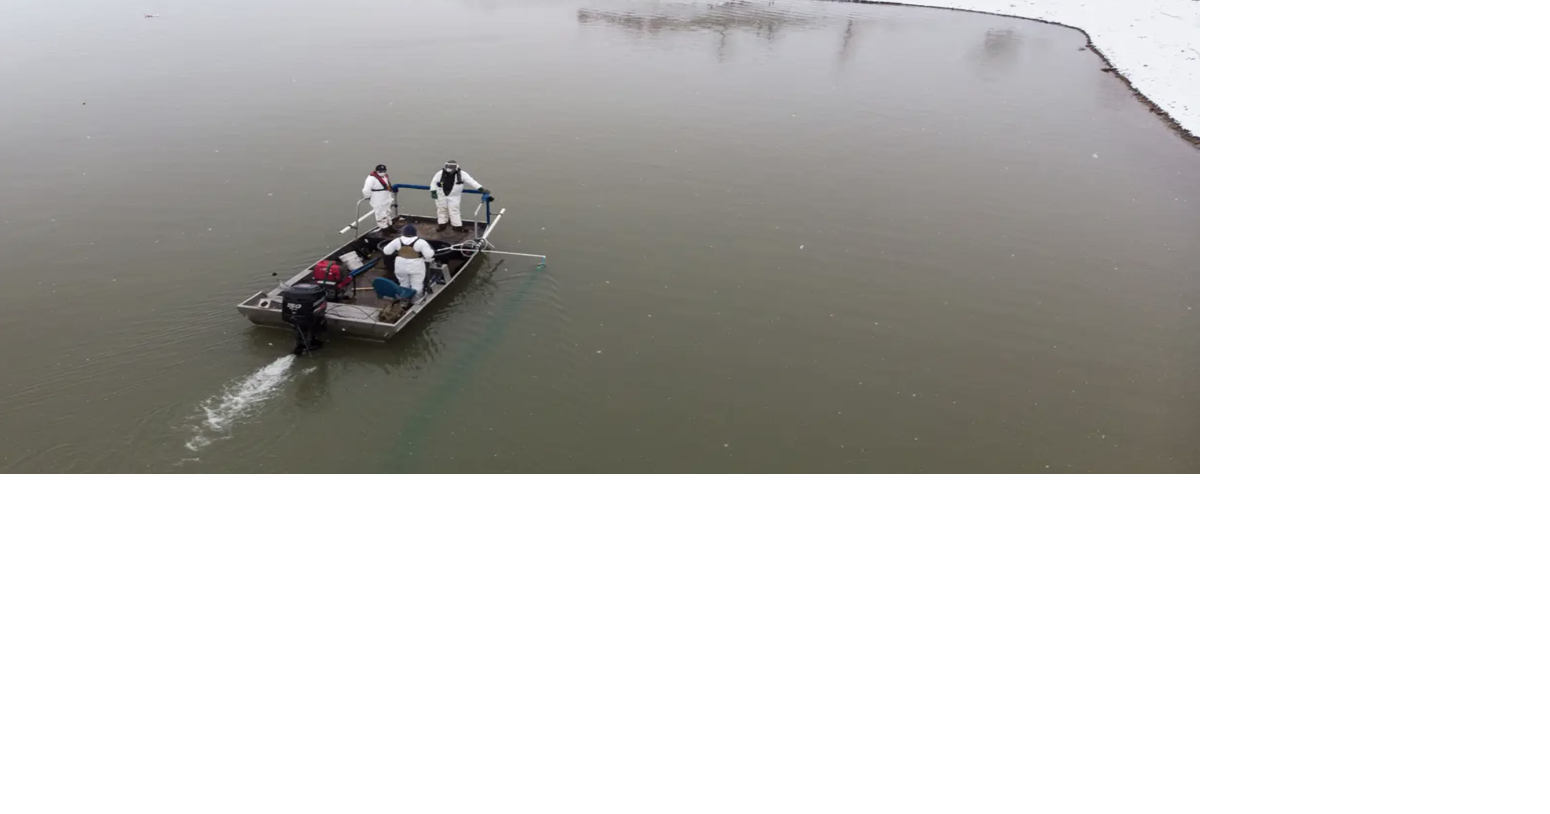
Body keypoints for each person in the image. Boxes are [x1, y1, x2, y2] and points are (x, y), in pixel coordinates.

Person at [429, 160, 491, 233]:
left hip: (454, 197)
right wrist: (433, 191)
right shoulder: (439, 173)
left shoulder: (462, 174)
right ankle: (442, 224)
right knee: (441, 210)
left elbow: (471, 181)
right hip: (441, 195)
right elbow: (434, 182)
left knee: (454, 210)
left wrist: (481, 189)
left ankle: (457, 226)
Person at [381, 223, 436, 299]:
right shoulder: (421, 242)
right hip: (416, 266)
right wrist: (432, 251)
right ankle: (416, 300)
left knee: (403, 283)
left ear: (403, 232)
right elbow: (429, 255)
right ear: (415, 233)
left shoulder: (397, 241)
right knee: (417, 284)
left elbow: (386, 251)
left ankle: (404, 301)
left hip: (400, 266)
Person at [362, 164, 395, 235]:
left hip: (386, 198)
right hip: (378, 199)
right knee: (380, 214)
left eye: (383, 171)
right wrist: (368, 196)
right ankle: (384, 230)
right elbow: (366, 190)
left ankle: (390, 226)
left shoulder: (385, 176)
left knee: (387, 212)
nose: (382, 172)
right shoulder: (371, 178)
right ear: (377, 171)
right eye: (380, 171)